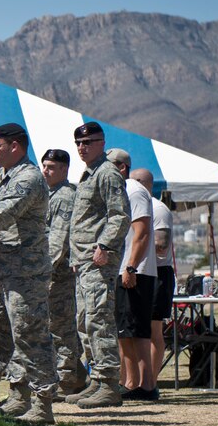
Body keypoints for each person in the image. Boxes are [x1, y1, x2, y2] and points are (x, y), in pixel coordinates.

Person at [0, 123, 58, 424]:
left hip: (26, 272)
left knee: (30, 335)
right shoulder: (0, 177)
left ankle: (42, 403)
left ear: (16, 146)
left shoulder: (30, 178)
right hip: (0, 269)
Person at [64, 122, 131, 409]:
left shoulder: (107, 174)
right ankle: (96, 379)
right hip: (83, 261)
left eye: (89, 142)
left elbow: (120, 215)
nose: (82, 147)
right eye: (79, 142)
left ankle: (108, 384)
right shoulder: (87, 175)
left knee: (99, 321)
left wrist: (104, 246)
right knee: (84, 323)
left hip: (98, 260)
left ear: (102, 143)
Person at [107, 148, 158, 401]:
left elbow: (142, 232)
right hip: (122, 267)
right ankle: (130, 381)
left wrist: (131, 267)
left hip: (135, 270)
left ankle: (147, 385)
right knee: (124, 331)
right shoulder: (119, 192)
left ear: (122, 168)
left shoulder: (134, 191)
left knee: (137, 331)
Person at [41, 148, 86, 399]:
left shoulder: (64, 197)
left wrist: (43, 272)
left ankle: (69, 380)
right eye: (44, 166)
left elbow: (57, 242)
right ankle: (73, 374)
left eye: (51, 167)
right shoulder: (51, 195)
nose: (46, 171)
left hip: (59, 275)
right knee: (54, 327)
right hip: (52, 273)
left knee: (62, 328)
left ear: (65, 169)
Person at [137, 168, 175, 383]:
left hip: (158, 272)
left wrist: (135, 245)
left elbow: (161, 245)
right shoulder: (136, 207)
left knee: (154, 328)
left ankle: (150, 378)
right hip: (142, 270)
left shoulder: (158, 210)